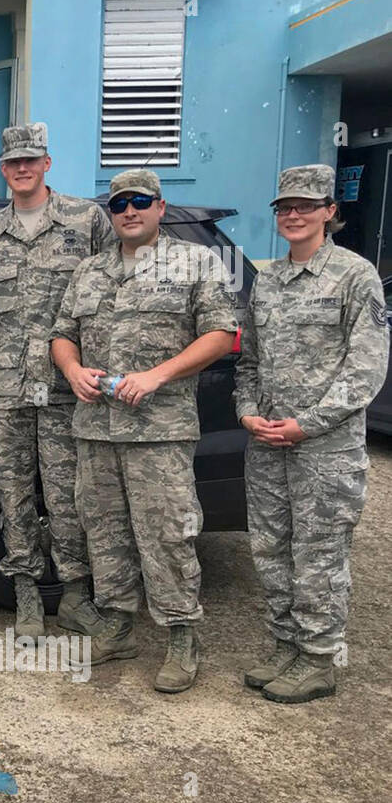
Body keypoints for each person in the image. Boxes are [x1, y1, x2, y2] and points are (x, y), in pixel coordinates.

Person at [51, 170, 237, 693]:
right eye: (119, 204)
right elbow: (62, 333)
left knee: (168, 535)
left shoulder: (195, 262)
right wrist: (71, 369)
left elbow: (221, 334)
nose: (129, 211)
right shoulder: (90, 270)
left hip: (159, 430)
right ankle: (117, 627)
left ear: (160, 206)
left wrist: (158, 375)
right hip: (96, 429)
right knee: (104, 532)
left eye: (139, 201)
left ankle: (181, 635)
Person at [235, 164, 389, 703]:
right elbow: (249, 361)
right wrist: (247, 413)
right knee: (271, 548)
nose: (294, 214)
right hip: (267, 445)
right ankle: (287, 645)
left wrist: (308, 424)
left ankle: (319, 658)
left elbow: (365, 369)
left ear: (330, 211)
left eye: (305, 205)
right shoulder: (268, 279)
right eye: (285, 207)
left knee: (319, 553)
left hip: (325, 450)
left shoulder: (355, 275)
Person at [0, 123, 114, 638]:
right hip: (7, 390)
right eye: (13, 162)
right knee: (13, 495)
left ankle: (75, 594)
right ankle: (27, 595)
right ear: (3, 169)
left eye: (30, 160)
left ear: (46, 163)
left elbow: (112, 294)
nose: (22, 169)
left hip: (65, 388)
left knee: (68, 495)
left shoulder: (86, 219)